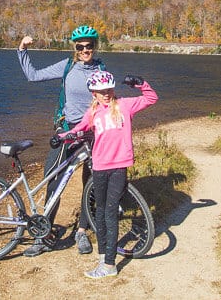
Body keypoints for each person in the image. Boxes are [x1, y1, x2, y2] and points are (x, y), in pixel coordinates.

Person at [16, 25, 107, 256]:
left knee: (92, 182)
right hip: (66, 131)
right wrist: (22, 50)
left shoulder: (101, 68)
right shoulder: (67, 67)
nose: (85, 49)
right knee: (53, 180)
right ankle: (44, 235)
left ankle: (82, 231)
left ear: (95, 47)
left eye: (89, 46)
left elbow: (109, 99)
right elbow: (33, 75)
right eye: (81, 46)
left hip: (93, 134)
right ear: (75, 48)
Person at [58, 70, 157, 279]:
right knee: (101, 212)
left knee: (111, 213)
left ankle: (110, 265)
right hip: (99, 168)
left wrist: (141, 83)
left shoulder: (125, 105)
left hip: (119, 167)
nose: (106, 94)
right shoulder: (92, 112)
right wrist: (61, 137)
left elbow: (151, 98)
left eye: (109, 89)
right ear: (93, 93)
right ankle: (103, 256)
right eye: (101, 91)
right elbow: (79, 129)